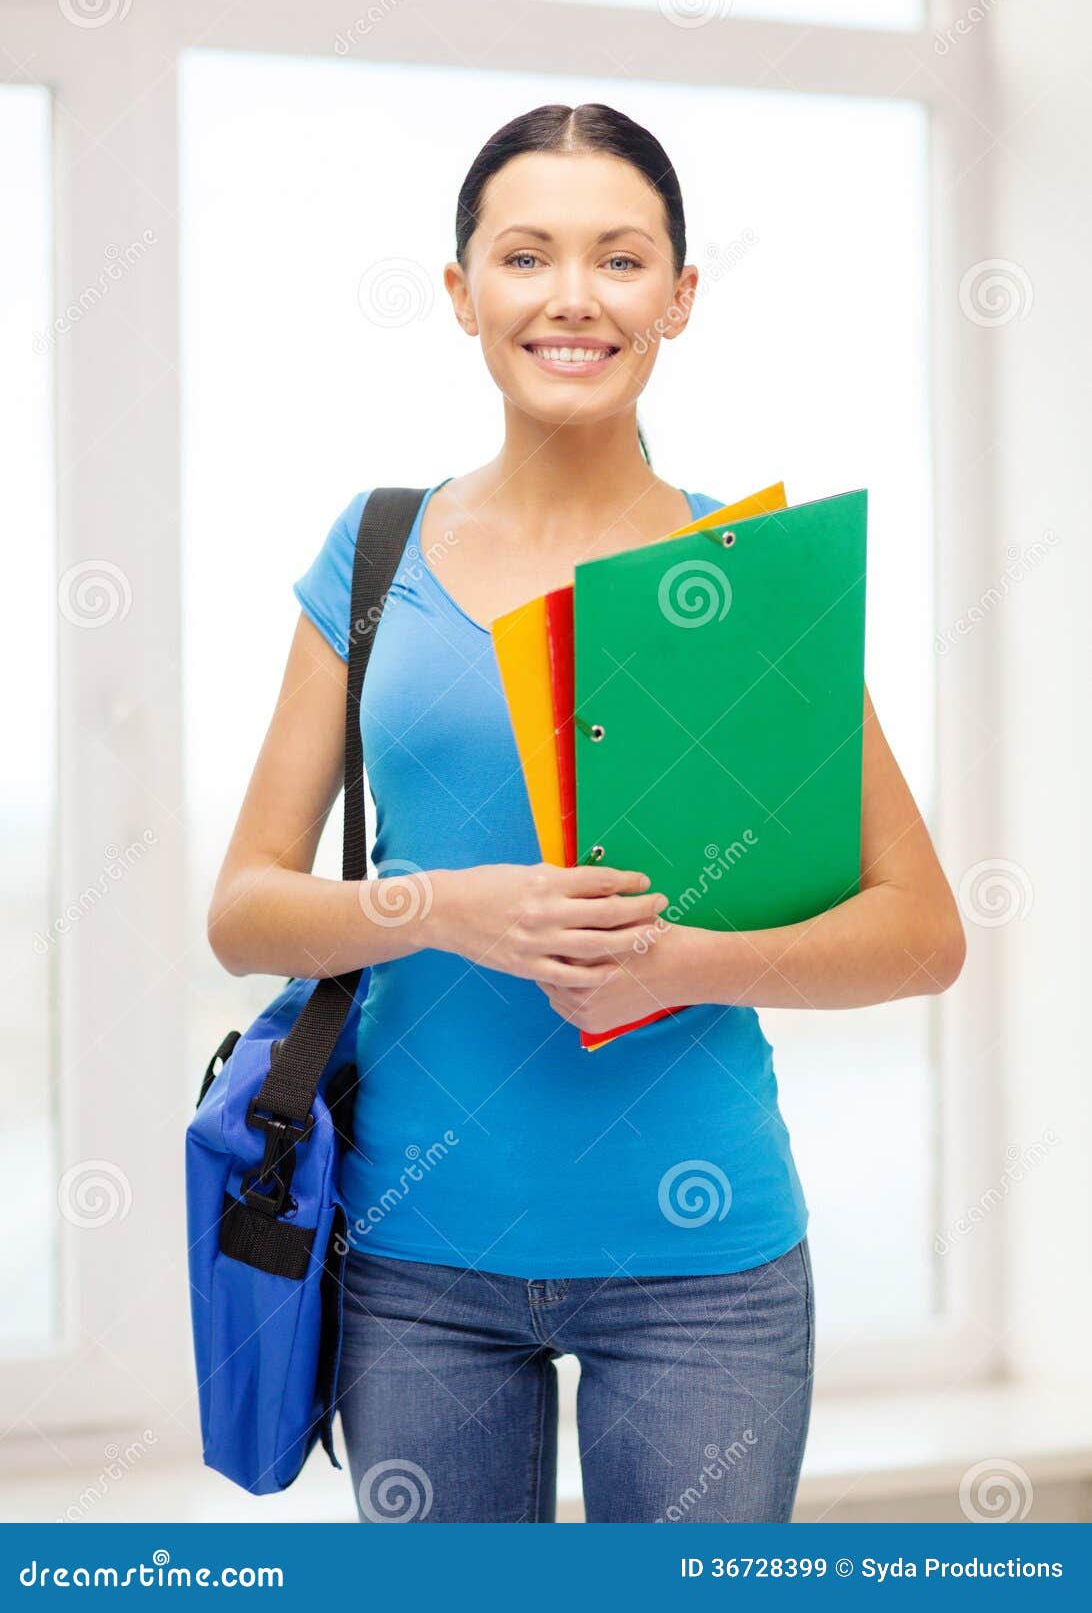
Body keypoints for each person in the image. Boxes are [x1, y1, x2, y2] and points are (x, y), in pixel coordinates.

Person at [208, 102, 966, 1523]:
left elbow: (922, 931)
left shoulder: (747, 583)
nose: (571, 297)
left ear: (680, 297)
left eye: (620, 260)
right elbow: (246, 905)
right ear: (461, 294)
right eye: (525, 256)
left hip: (706, 1272)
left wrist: (683, 964)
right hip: (416, 1261)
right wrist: (444, 906)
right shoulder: (374, 552)